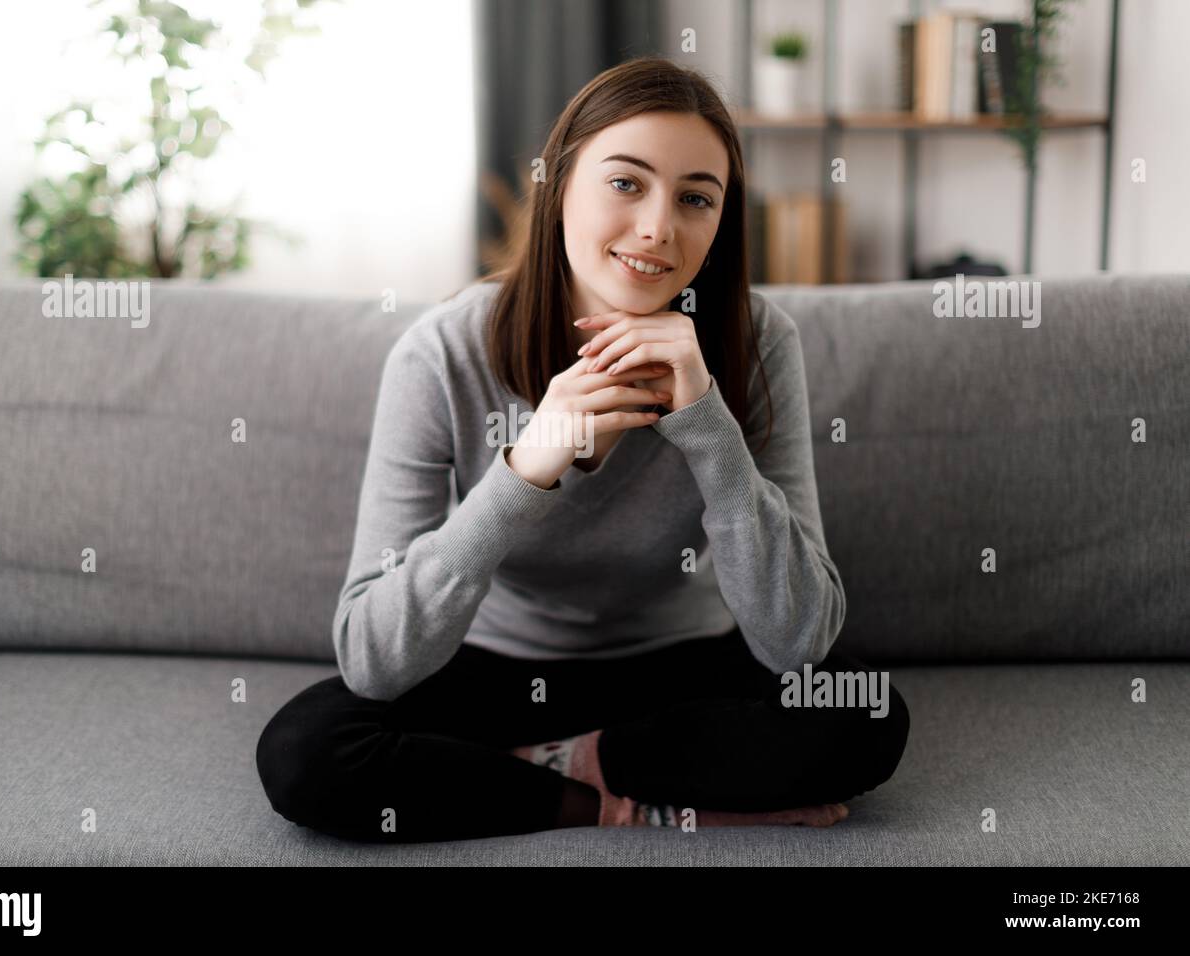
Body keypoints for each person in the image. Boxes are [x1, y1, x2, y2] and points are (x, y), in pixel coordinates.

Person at [256, 55, 909, 844]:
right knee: (305, 755)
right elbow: (373, 659)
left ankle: (550, 767)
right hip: (494, 667)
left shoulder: (759, 342)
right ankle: (609, 801)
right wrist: (525, 470)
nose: (658, 227)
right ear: (560, 184)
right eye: (626, 183)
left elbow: (799, 641)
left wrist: (708, 426)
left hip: (682, 669)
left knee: (865, 714)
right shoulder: (441, 354)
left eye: (696, 198)